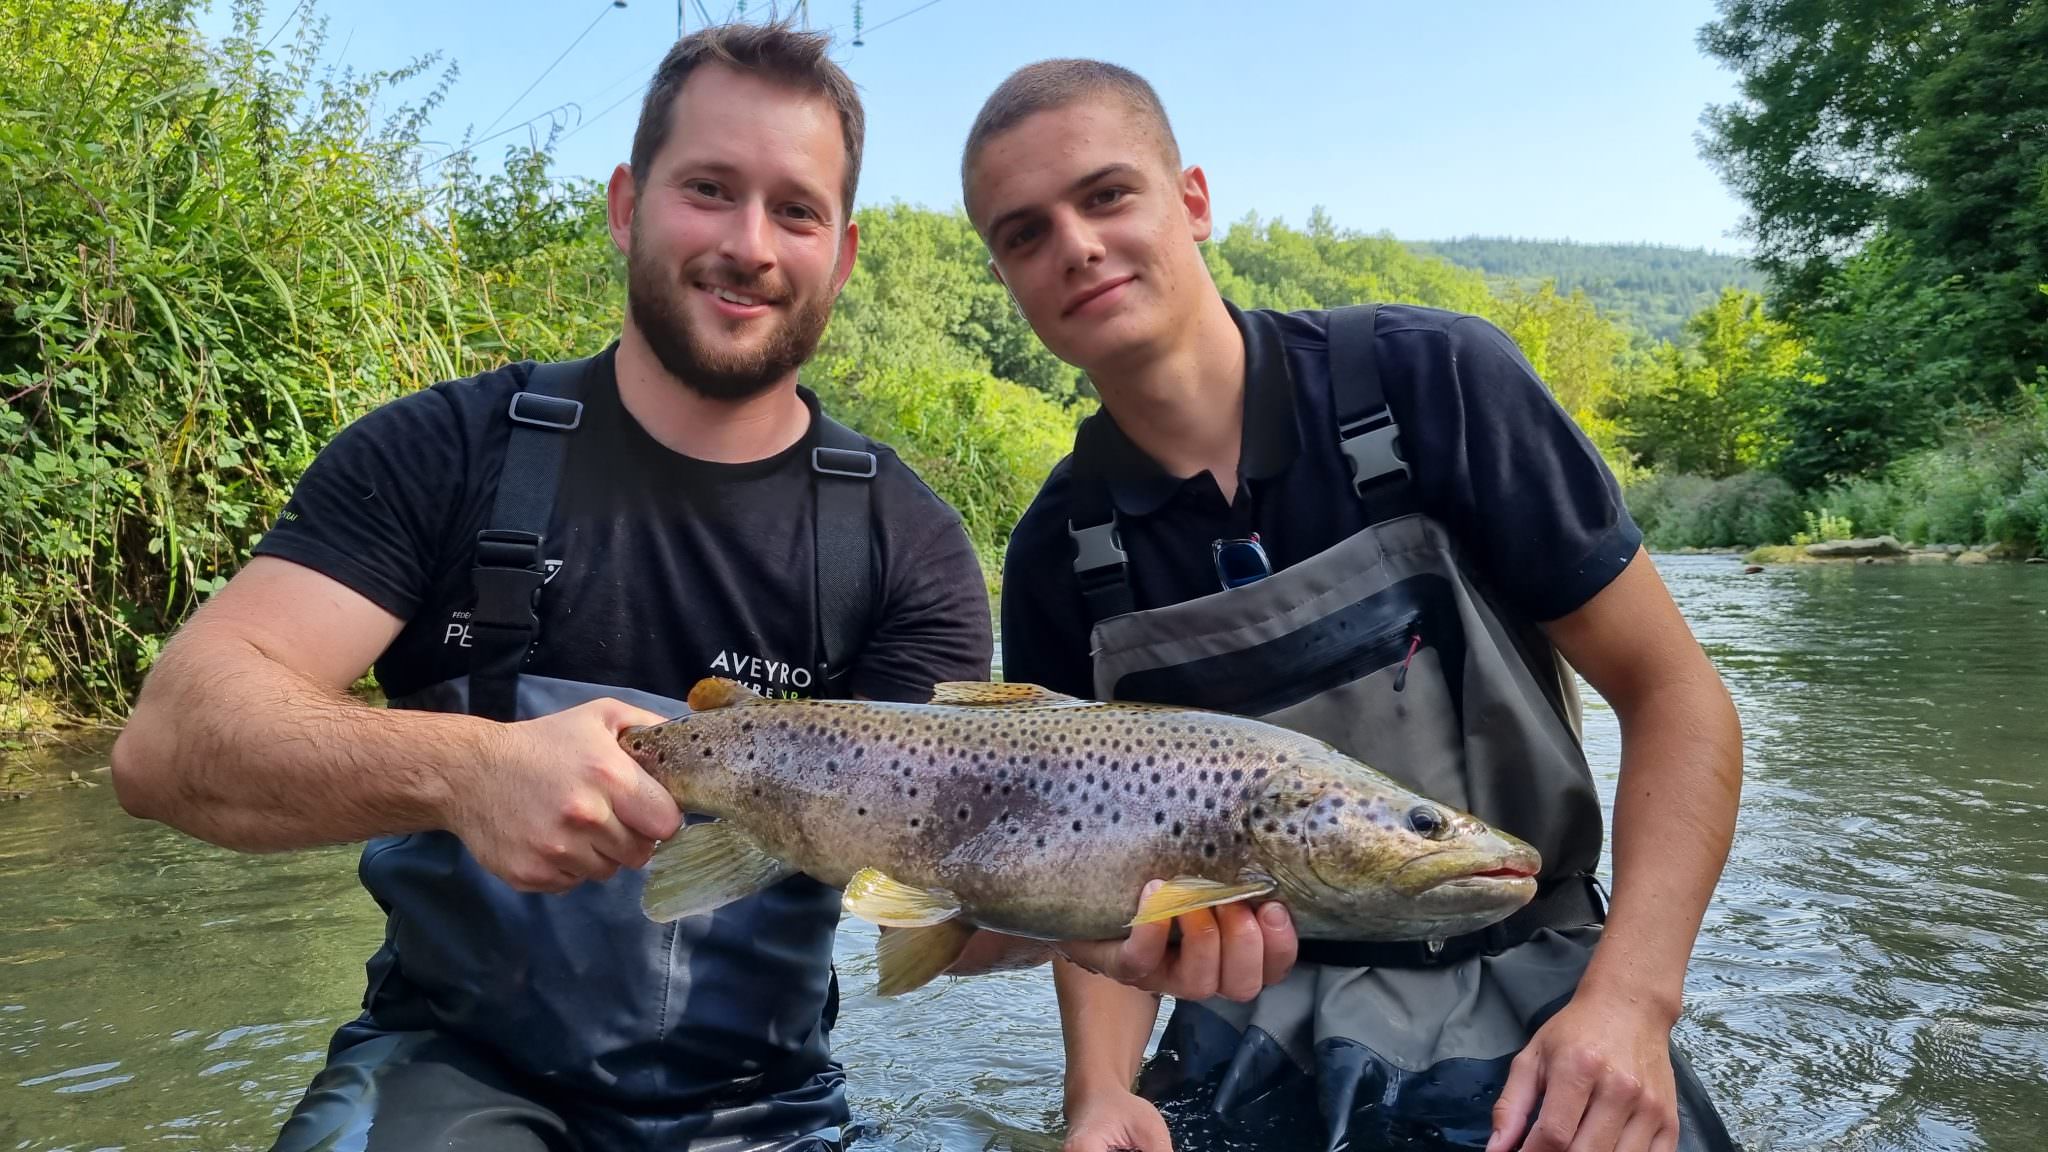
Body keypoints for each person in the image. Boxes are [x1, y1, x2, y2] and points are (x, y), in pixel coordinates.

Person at [111, 25, 1290, 1151]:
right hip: (448, 1069)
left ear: (842, 251)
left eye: (796, 210)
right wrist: (465, 772)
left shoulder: (909, 543)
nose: (751, 244)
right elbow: (168, 746)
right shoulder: (442, 454)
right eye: (708, 189)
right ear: (628, 205)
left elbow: (931, 898)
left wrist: (1106, 930)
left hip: (762, 1109)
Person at [962, 59, 1747, 1152]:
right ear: (1004, 276)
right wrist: (1098, 1091)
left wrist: (1629, 1006)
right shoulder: (1058, 548)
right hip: (1245, 1011)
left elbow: (1675, 696)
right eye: (1023, 234)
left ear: (1189, 199)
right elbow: (1092, 873)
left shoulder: (1437, 384)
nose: (1075, 246)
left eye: (1105, 196)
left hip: (1542, 981)